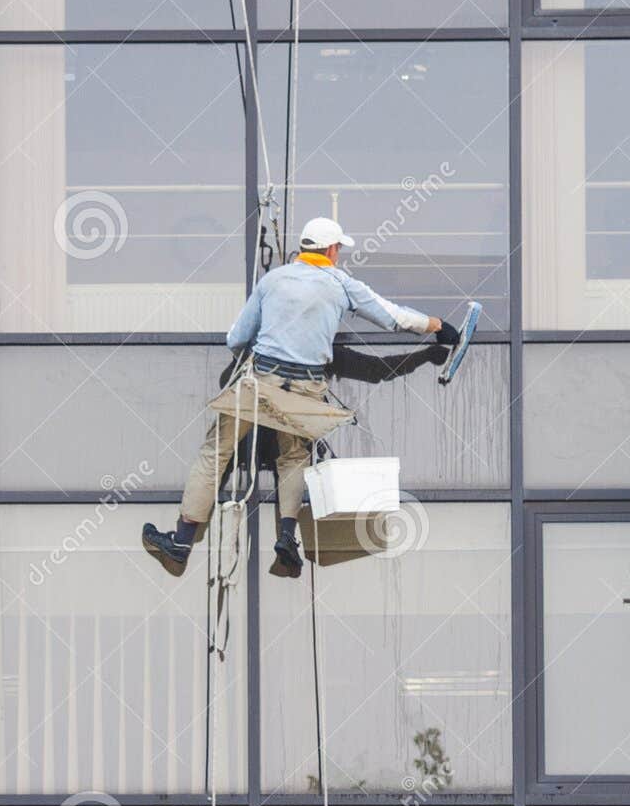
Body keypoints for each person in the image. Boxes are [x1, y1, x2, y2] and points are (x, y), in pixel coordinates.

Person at [142, 217, 459, 579]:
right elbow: (394, 318)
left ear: (305, 248)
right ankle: (286, 540)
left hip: (261, 382)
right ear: (332, 250)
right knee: (293, 458)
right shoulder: (342, 284)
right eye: (339, 248)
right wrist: (438, 326)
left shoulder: (273, 280)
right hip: (307, 388)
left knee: (217, 451)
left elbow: (235, 339)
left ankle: (181, 542)